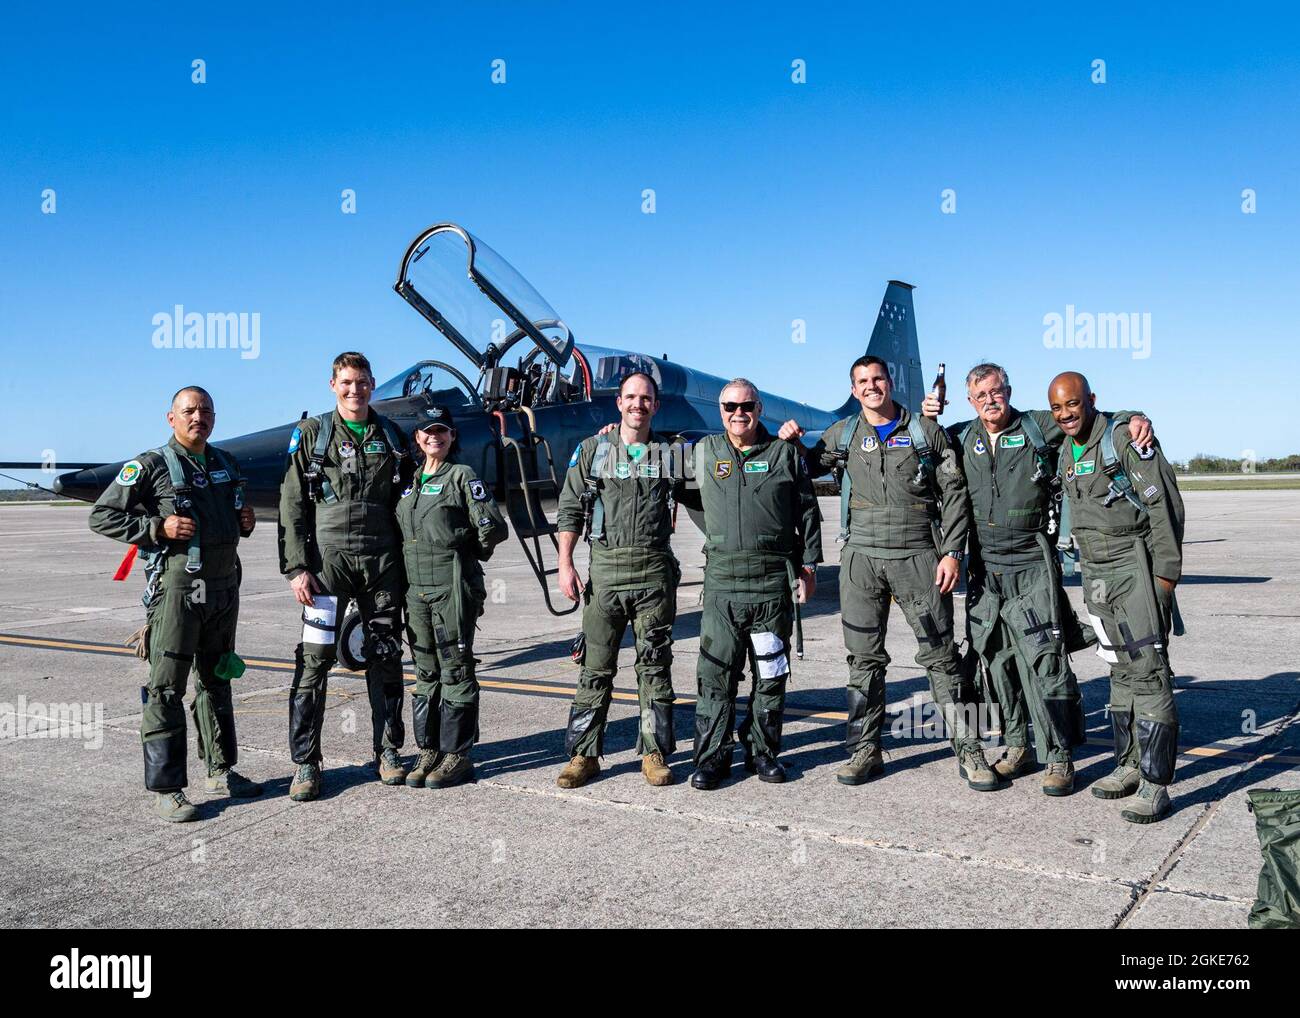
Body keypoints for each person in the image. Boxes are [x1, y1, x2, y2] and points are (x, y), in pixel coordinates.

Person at [919, 363, 1153, 795]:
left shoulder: (1036, 426)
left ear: (1008, 391)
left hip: (1030, 561)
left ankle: (1060, 755)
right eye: (981, 395)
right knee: (999, 662)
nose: (991, 400)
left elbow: (1088, 418)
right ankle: (1017, 747)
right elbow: (922, 441)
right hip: (985, 569)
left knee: (1045, 659)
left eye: (997, 391)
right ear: (970, 401)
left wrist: (1132, 419)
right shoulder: (961, 436)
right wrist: (927, 416)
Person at [779, 355, 996, 790]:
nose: (871, 386)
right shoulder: (844, 433)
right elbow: (805, 466)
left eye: (877, 378)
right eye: (862, 381)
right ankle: (865, 749)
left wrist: (953, 551)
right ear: (854, 388)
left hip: (917, 554)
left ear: (890, 381)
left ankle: (969, 750)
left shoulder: (924, 431)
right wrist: (790, 441)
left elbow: (955, 494)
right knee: (862, 659)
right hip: (861, 557)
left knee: (940, 657)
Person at [89, 386, 262, 822]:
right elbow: (102, 516)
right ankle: (168, 788)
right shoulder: (150, 465)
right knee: (167, 686)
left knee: (217, 677)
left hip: (223, 588)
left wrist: (245, 521)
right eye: (189, 411)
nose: (197, 417)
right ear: (171, 418)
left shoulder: (225, 463)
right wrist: (157, 527)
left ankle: (221, 770)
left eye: (205, 410)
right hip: (179, 590)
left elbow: (233, 516)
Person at [1048, 371, 1185, 823]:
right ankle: (1127, 764)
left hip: (1134, 569)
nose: (1066, 414)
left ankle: (1155, 782)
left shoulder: (1123, 437)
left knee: (1148, 671)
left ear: (1091, 400)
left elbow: (1164, 506)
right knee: (1120, 671)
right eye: (1057, 408)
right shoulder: (1068, 450)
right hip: (1097, 575)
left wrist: (1165, 577)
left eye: (1073, 404)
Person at [279, 351, 414, 801]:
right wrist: (297, 567)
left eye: (361, 382)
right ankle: (305, 764)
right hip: (327, 567)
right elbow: (293, 507)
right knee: (314, 664)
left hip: (381, 564)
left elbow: (408, 503)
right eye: (346, 383)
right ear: (333, 385)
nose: (354, 390)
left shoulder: (391, 436)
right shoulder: (313, 435)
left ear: (372, 384)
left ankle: (389, 751)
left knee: (387, 657)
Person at [682, 379, 822, 789]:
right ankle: (711, 758)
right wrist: (608, 440)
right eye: (730, 406)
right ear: (720, 409)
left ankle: (762, 752)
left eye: (746, 406)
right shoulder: (703, 453)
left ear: (759, 409)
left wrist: (809, 566)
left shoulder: (784, 454)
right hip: (723, 586)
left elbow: (807, 511)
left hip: (770, 587)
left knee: (771, 673)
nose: (738, 413)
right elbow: (657, 473)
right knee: (716, 675)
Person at [553, 372, 685, 788]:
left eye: (646, 398)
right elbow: (570, 508)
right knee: (594, 668)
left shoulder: (671, 453)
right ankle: (583, 755)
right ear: (619, 403)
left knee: (654, 667)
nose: (638, 405)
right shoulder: (592, 449)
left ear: (655, 406)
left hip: (653, 574)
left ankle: (654, 752)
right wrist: (565, 562)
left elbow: (715, 486)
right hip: (606, 574)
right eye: (631, 397)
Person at [397, 406, 507, 789]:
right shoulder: (409, 483)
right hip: (416, 590)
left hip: (452, 587)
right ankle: (428, 749)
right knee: (425, 670)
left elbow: (492, 525)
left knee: (455, 667)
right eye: (428, 432)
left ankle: (457, 755)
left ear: (452, 437)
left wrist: (466, 551)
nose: (435, 437)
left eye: (442, 431)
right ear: (418, 438)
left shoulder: (461, 476)